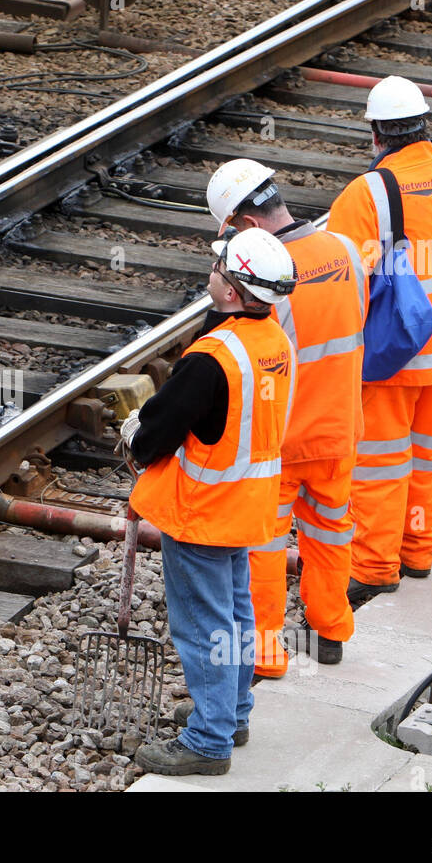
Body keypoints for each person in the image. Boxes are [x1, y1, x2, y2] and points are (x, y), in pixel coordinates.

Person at [123, 228, 296, 776]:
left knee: (203, 624)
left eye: (220, 266)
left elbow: (156, 436)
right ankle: (232, 711)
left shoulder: (212, 359)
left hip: (202, 511)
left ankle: (209, 738)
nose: (213, 270)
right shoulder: (274, 341)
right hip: (248, 506)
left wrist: (135, 432)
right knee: (236, 615)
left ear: (232, 289)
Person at [206, 159, 367, 674]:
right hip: (341, 427)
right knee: (331, 530)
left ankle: (266, 653)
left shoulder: (266, 279)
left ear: (249, 226)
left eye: (231, 234)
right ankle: (331, 630)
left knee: (266, 544)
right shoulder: (343, 248)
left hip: (281, 440)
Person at [327, 76, 432, 602]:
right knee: (426, 456)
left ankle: (374, 568)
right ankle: (418, 553)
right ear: (423, 129)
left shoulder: (365, 194)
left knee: (381, 465)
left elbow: (346, 285)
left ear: (376, 134)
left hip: (392, 357)